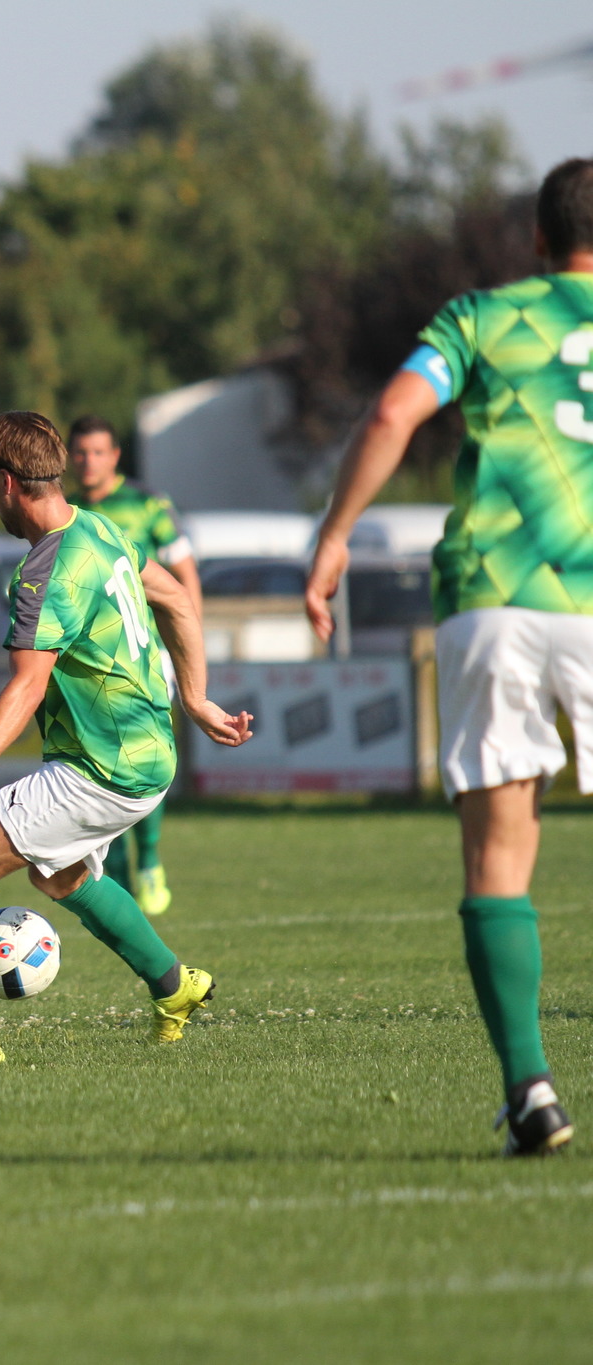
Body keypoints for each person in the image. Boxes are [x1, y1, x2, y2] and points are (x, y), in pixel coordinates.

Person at [305, 158, 593, 1157]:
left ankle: (530, 1092)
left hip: (498, 602)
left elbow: (391, 413)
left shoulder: (482, 317)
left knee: (497, 857)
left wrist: (336, 533)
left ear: (534, 241)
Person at [0, 412, 252, 1067]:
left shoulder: (43, 575)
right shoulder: (101, 529)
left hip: (100, 768)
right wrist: (197, 697)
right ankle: (174, 986)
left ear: (9, 482)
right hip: (147, 755)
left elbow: (27, 686)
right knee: (60, 873)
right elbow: (177, 598)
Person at [67, 415, 201, 915]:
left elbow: (182, 574)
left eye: (98, 452)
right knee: (99, 759)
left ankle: (146, 857)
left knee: (142, 754)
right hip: (90, 659)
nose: (88, 462)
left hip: (147, 651)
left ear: (115, 455)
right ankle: (119, 868)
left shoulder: (147, 504)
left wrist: (188, 646)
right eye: (80, 453)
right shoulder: (67, 510)